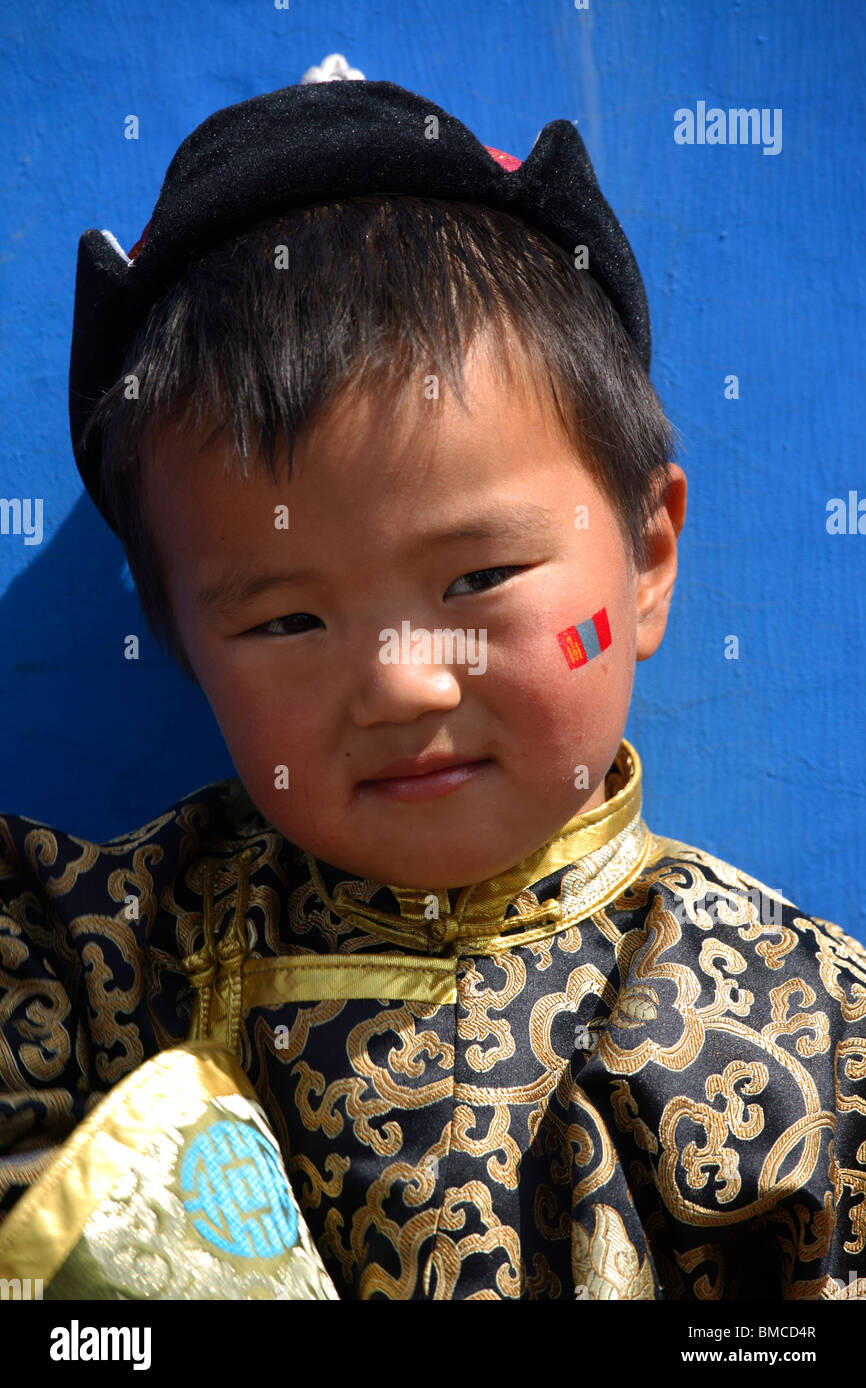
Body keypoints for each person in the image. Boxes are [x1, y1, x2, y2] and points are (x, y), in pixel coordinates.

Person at [1, 72, 864, 1302]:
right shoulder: (92, 964)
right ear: (183, 641)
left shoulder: (810, 1028)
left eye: (476, 578)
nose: (404, 686)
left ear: (648, 560)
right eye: (287, 618)